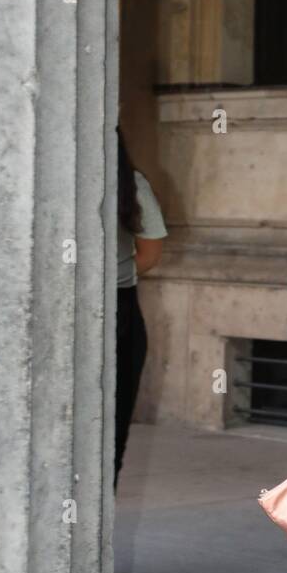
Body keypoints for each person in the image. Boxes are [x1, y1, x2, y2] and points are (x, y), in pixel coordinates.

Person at [115, 126, 168, 489]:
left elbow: (150, 253)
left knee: (112, 427)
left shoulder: (131, 184)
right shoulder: (131, 181)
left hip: (120, 311)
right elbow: (148, 256)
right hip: (117, 307)